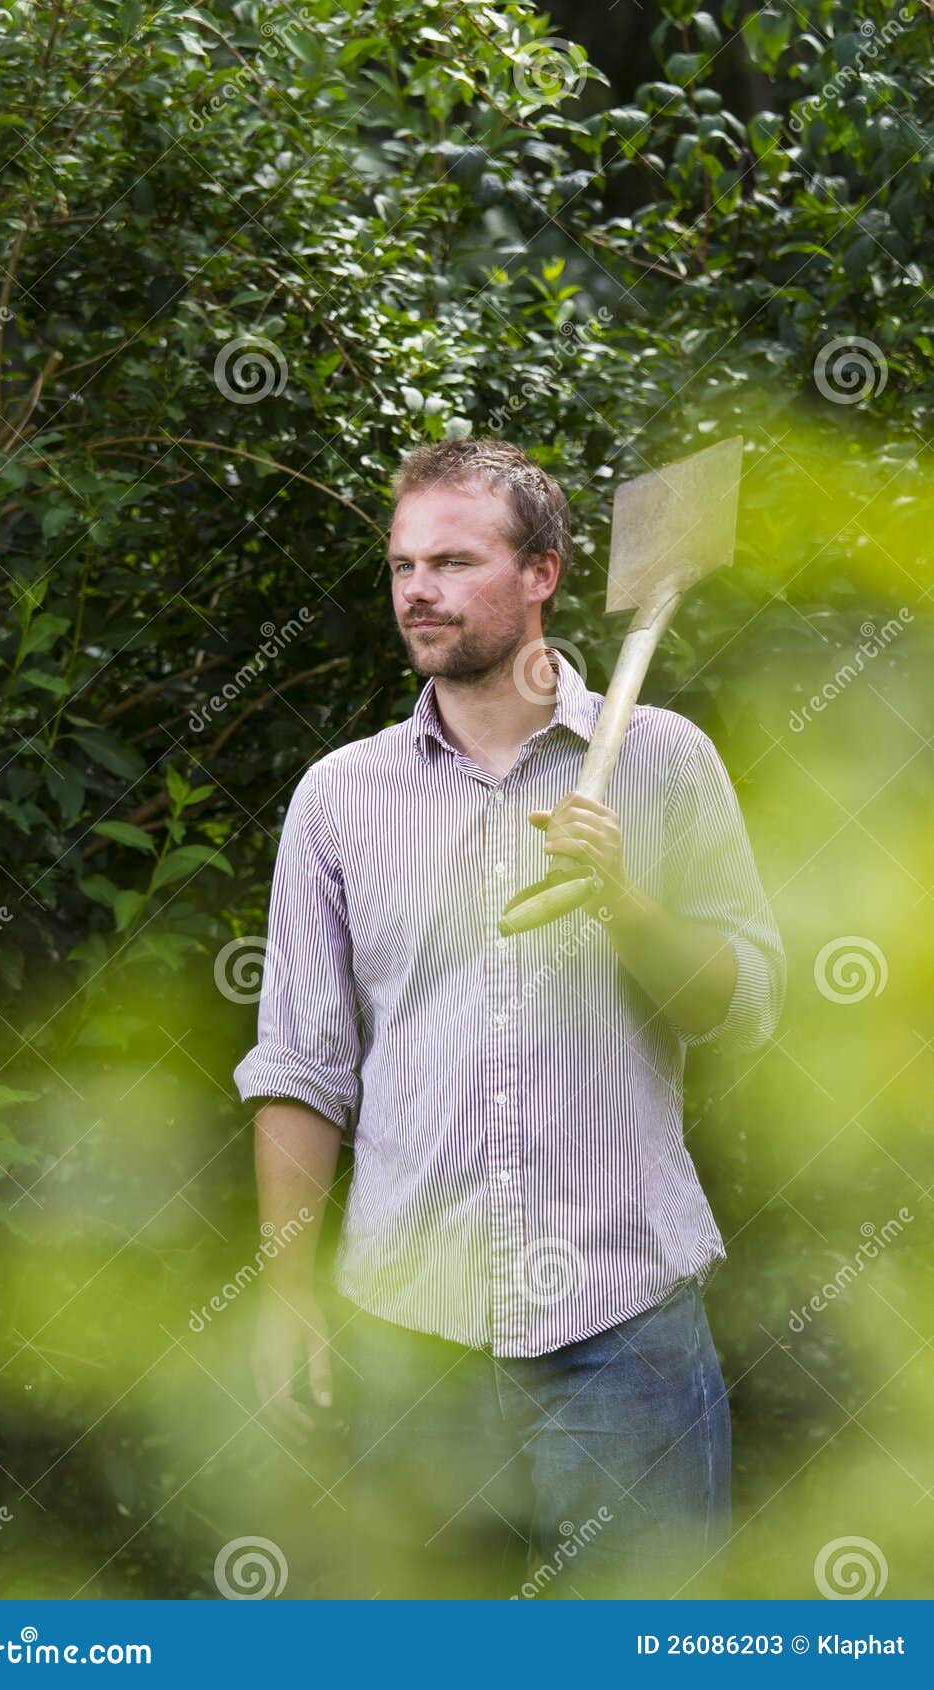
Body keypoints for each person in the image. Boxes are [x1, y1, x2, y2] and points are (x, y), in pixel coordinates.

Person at [233, 437, 786, 1599]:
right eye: (401, 565)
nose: (417, 590)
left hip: (624, 1334)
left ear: (542, 572)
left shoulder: (663, 764)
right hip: (406, 1343)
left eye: (452, 561)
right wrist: (285, 1301)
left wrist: (627, 906)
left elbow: (744, 1007)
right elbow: (300, 1065)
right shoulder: (340, 799)